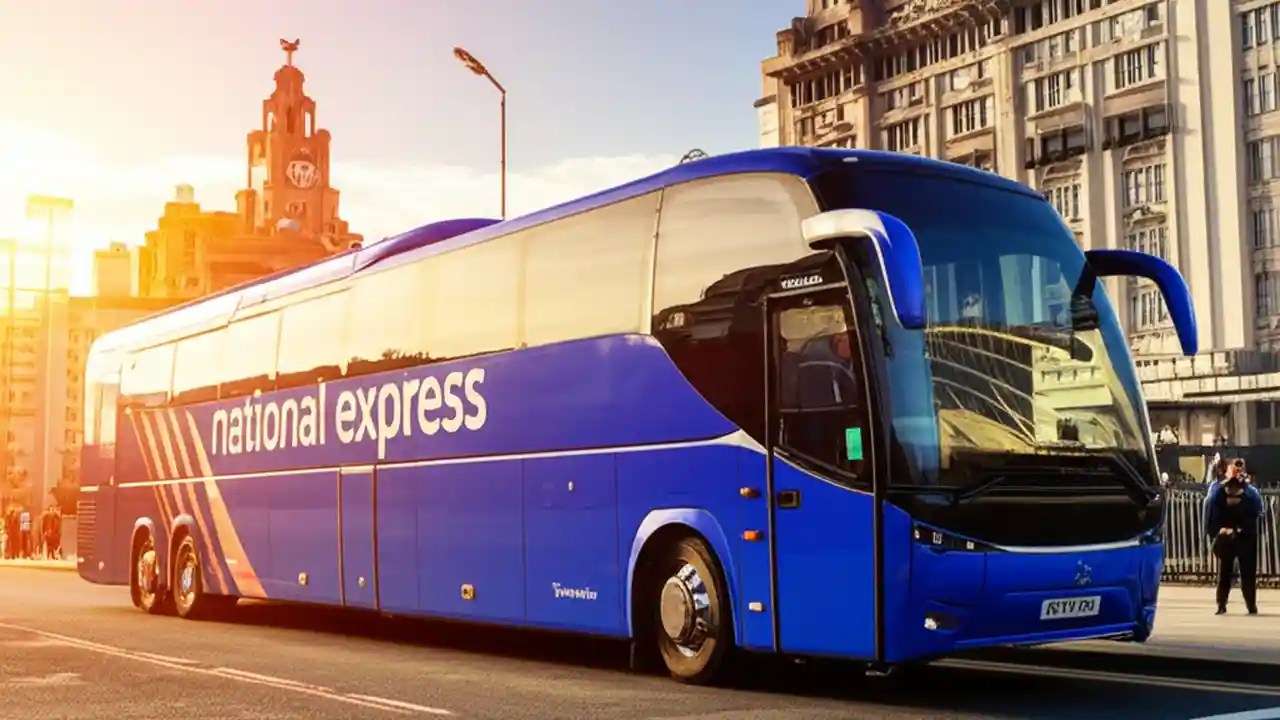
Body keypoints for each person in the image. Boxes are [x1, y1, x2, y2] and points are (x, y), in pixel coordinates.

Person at [1203, 459, 1264, 615]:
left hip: (1246, 536)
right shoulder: (1217, 494)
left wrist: (1238, 529)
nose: (1233, 495)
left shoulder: (1252, 496)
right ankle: (1221, 604)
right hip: (1226, 537)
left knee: (1248, 572)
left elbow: (1255, 515)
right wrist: (1219, 530)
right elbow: (1212, 516)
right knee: (1225, 572)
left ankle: (1251, 604)